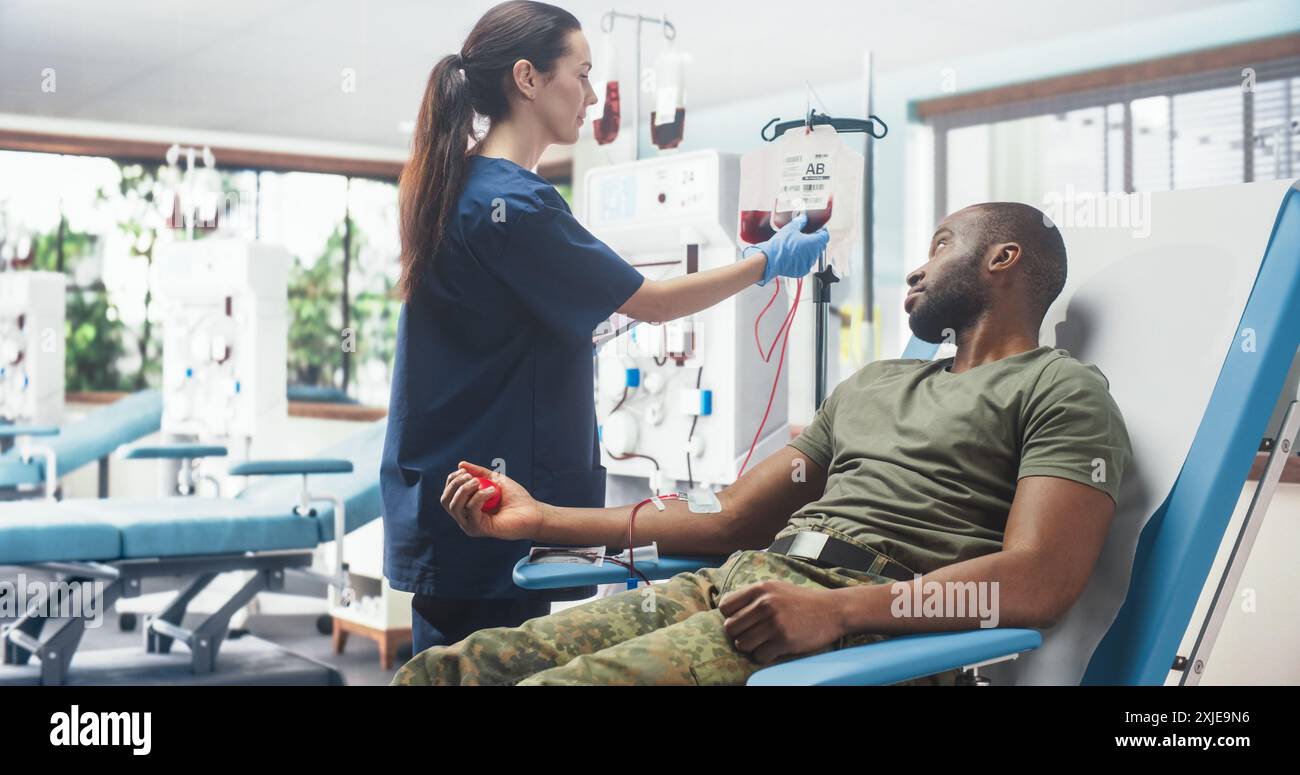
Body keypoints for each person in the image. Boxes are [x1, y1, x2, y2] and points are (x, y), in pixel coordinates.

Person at [391, 201, 1134, 685]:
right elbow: (729, 520)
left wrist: (840, 612)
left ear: (1003, 260)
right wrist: (540, 518)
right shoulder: (872, 385)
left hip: (858, 627)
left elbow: (1040, 582)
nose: (915, 267)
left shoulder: (1061, 390)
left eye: (940, 244)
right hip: (744, 580)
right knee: (450, 671)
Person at [382, 0, 829, 654]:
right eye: (582, 74)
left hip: (451, 490)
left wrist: (591, 328)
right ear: (528, 79)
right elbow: (653, 302)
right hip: (486, 500)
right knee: (488, 665)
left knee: (456, 665)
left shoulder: (460, 187)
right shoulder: (517, 202)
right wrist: (765, 261)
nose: (592, 95)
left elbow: (495, 329)